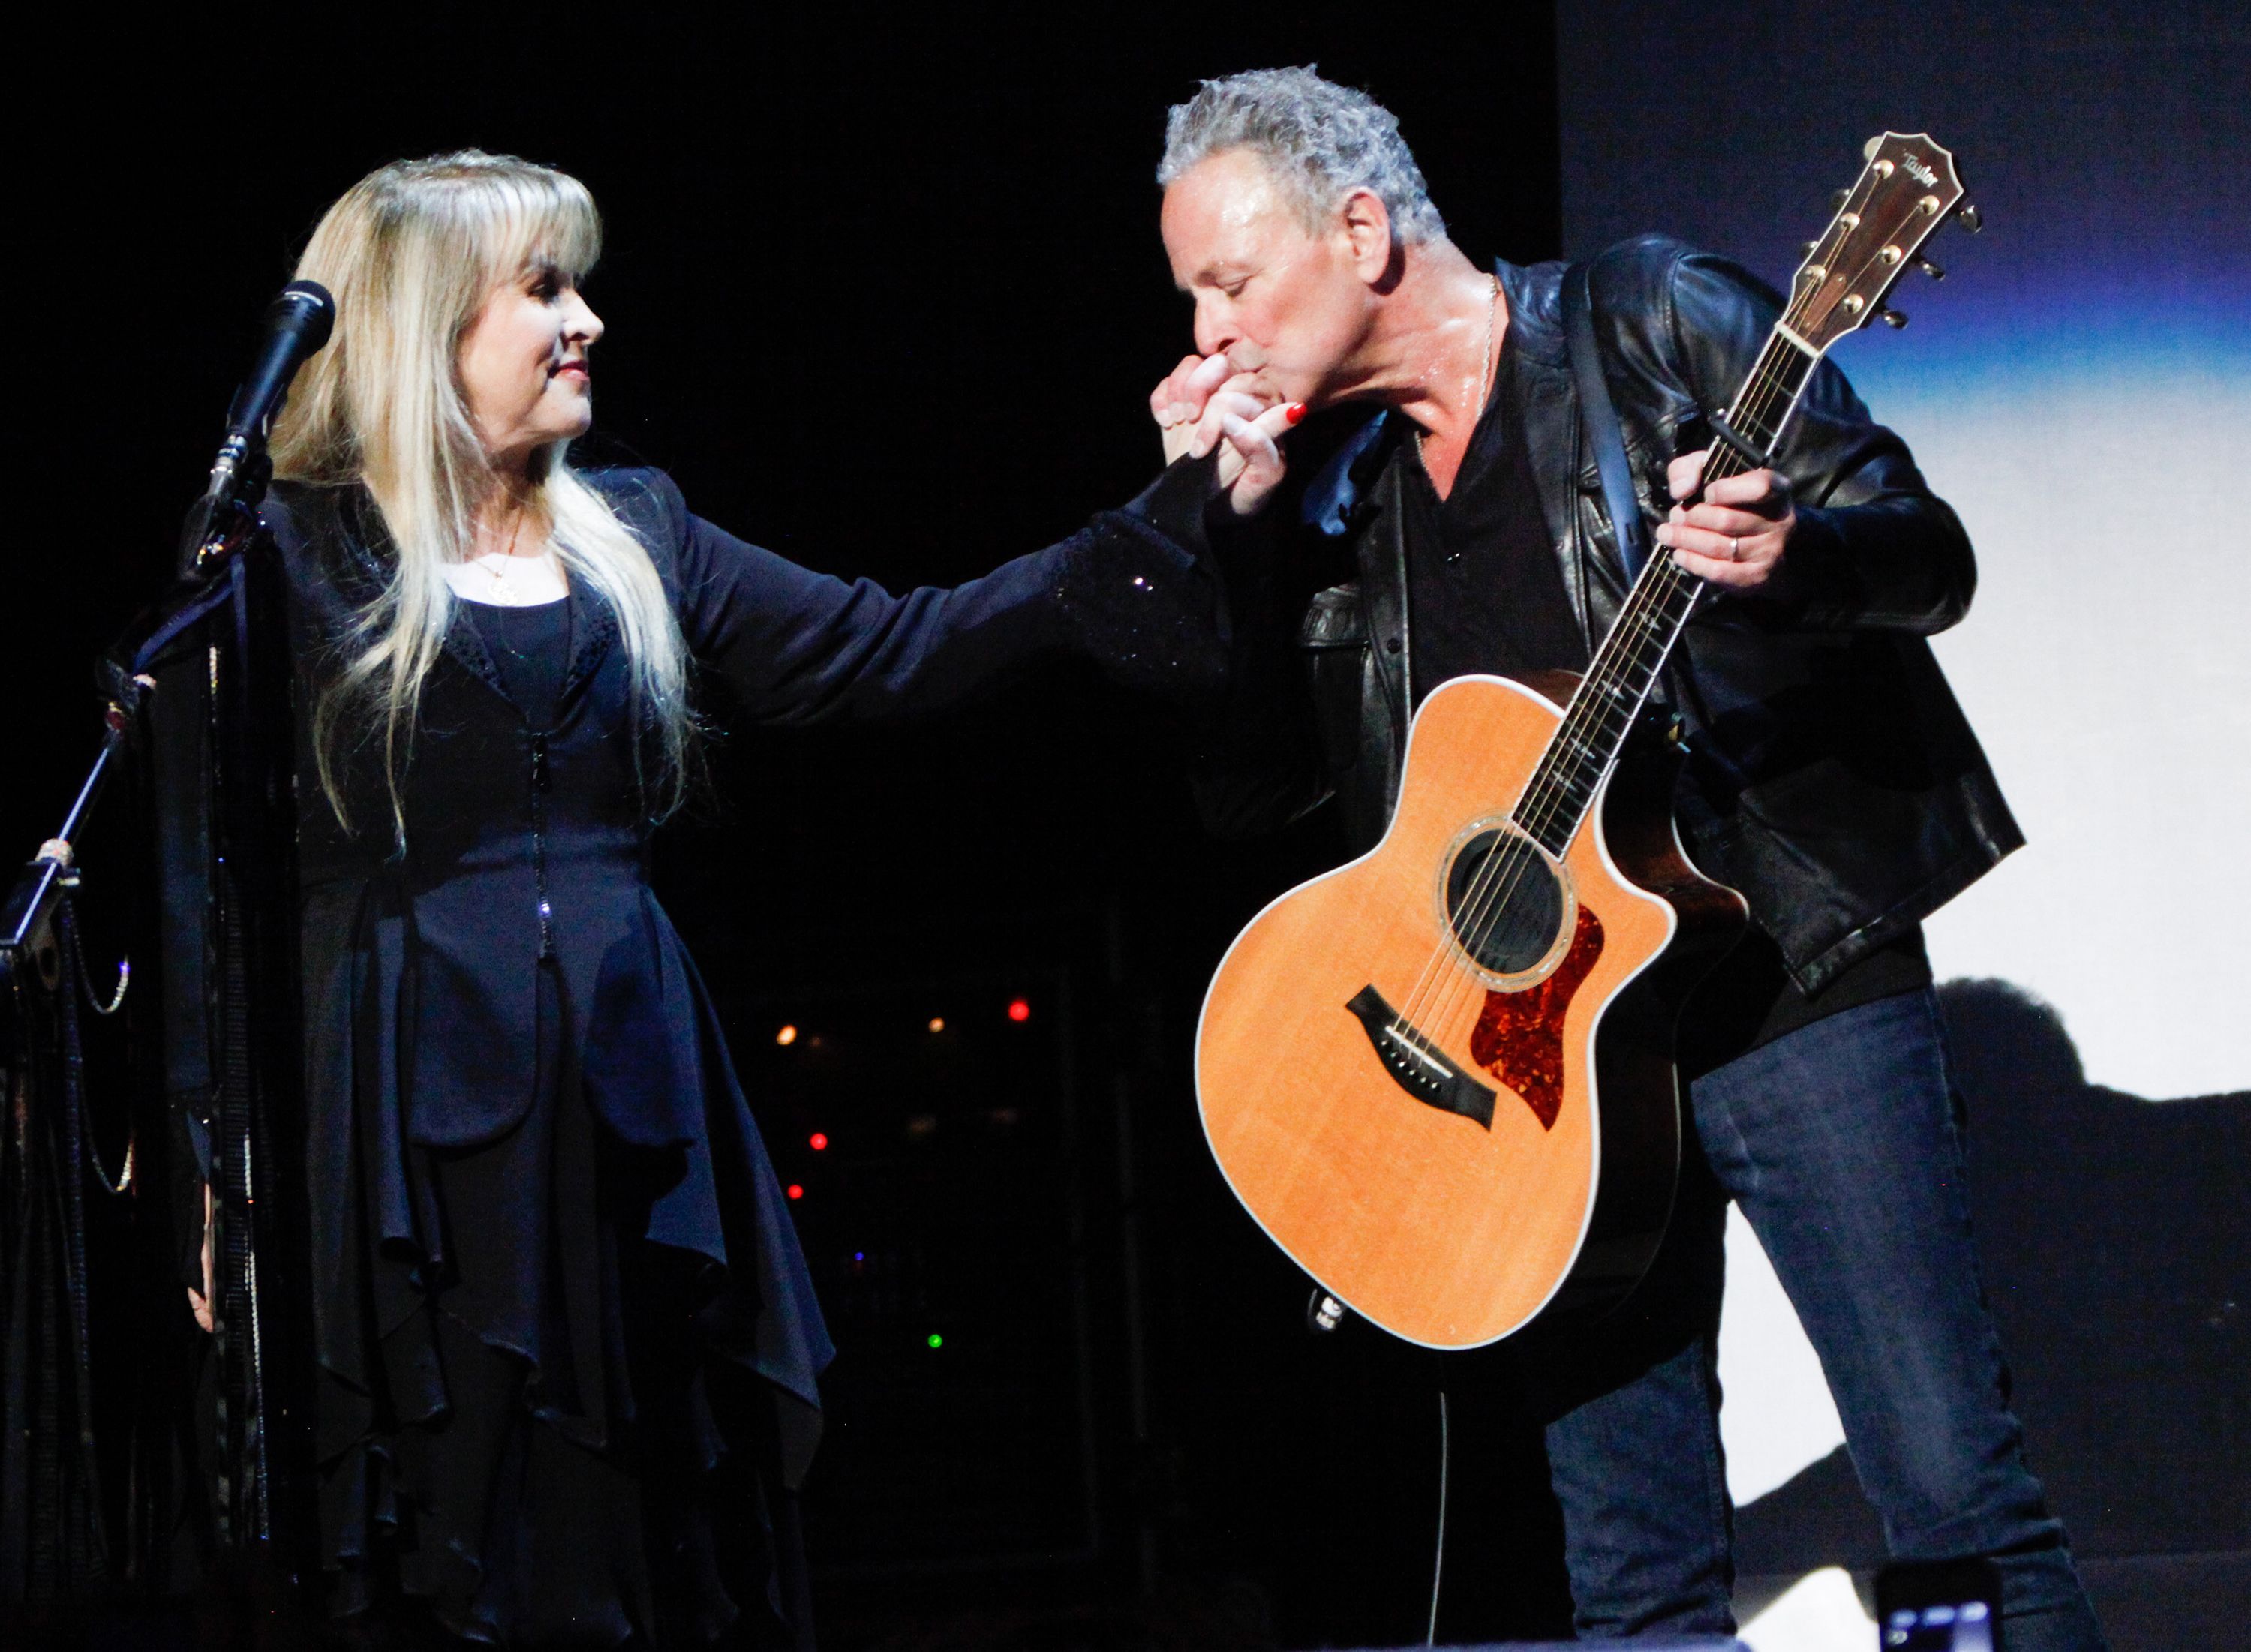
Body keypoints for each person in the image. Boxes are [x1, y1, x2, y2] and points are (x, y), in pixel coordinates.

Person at [164, 150, 1285, 1647]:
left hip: (631, 1104)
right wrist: (213, 1182)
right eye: (545, 289)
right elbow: (200, 892)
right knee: (451, 1521)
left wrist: (1161, 514)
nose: (588, 324)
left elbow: (896, 648)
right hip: (404, 1126)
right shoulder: (298, 561)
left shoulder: (637, 528)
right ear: (431, 327)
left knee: (645, 1512)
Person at [1144, 68, 2108, 1650]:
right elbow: (1245, 803)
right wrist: (1221, 541)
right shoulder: (1333, 506)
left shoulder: (1654, 318)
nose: (1209, 335)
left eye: (1230, 282)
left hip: (1787, 981)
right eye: (1193, 299)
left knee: (1948, 1489)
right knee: (1633, 1569)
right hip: (1549, 1081)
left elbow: (1927, 561)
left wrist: (1795, 564)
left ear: (1364, 231)